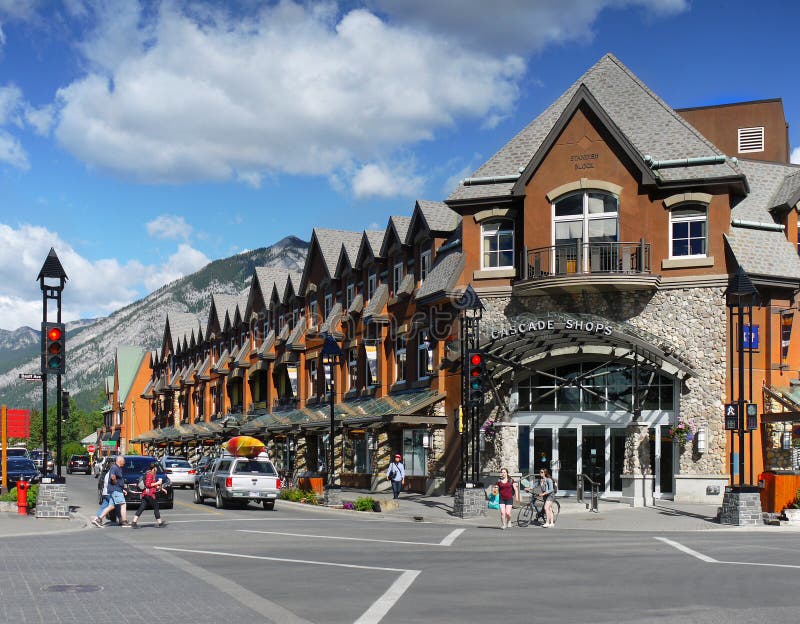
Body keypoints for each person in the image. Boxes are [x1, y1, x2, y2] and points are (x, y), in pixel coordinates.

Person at [131, 462, 167, 529]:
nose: (156, 469)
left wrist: (162, 488)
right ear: (154, 468)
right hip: (149, 494)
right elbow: (148, 485)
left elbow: (153, 485)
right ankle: (160, 523)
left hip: (146, 493)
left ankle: (134, 522)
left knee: (142, 507)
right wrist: (158, 482)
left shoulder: (150, 474)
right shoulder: (150, 474)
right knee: (156, 506)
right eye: (156, 468)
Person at [107, 455, 130, 527]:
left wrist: (122, 488)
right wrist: (116, 483)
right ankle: (124, 521)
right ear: (120, 461)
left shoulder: (118, 468)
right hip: (116, 489)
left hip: (118, 489)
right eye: (123, 461)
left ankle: (98, 518)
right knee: (123, 504)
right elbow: (112, 476)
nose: (124, 462)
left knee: (111, 506)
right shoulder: (114, 467)